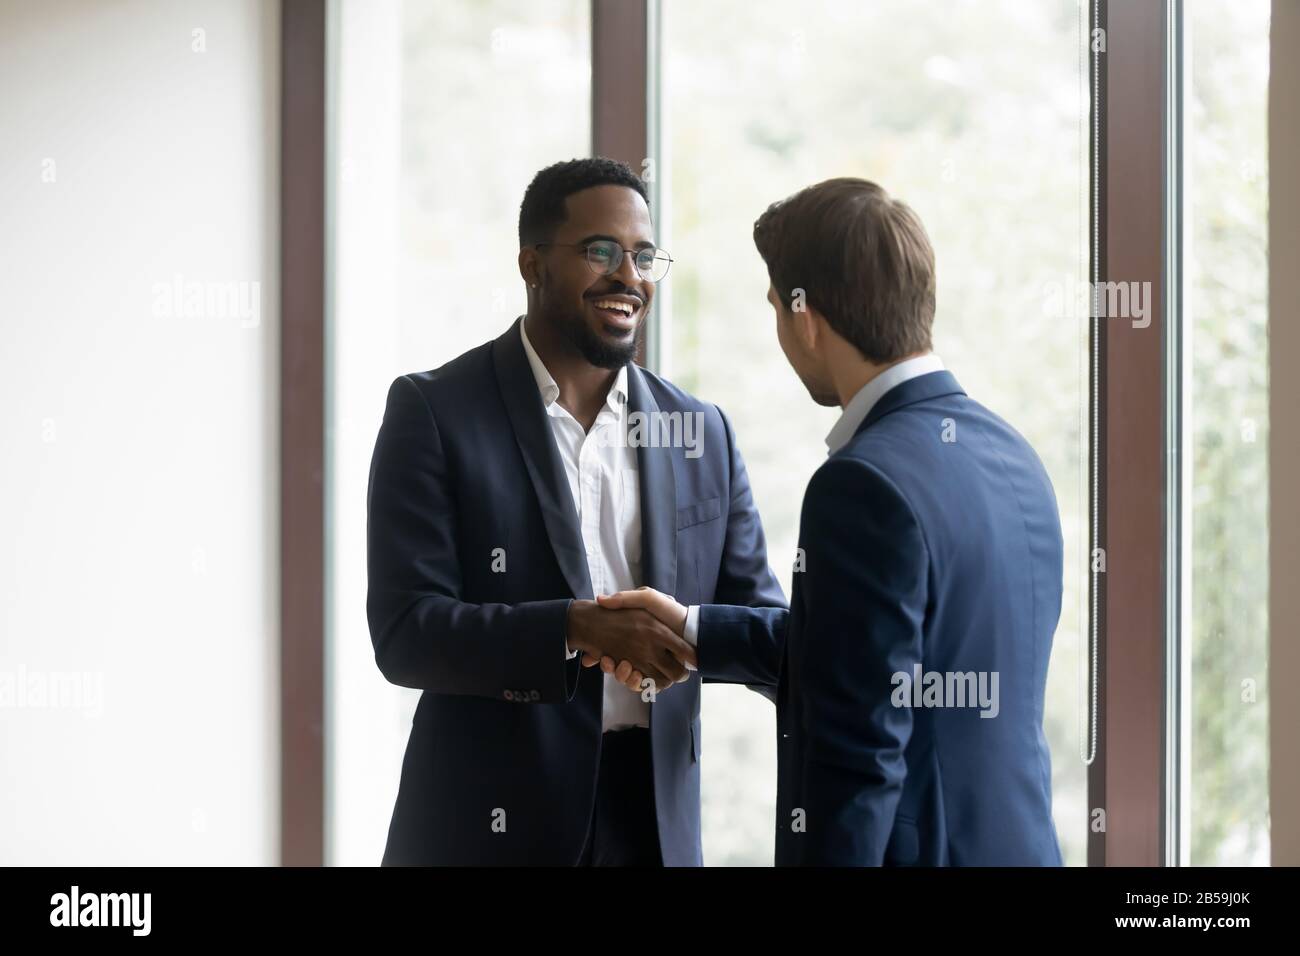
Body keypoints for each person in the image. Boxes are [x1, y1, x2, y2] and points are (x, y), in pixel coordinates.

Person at [595, 177, 1065, 866]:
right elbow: (876, 658)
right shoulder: (1014, 454)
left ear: (806, 317)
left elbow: (859, 759)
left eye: (776, 310)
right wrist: (695, 630)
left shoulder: (861, 484)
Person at [366, 157, 786, 866]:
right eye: (601, 251)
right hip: (489, 830)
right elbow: (406, 633)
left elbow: (765, 628)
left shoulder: (701, 432)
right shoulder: (434, 411)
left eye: (644, 256)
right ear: (532, 264)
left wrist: (698, 634)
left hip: (654, 826)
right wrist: (571, 627)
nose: (629, 276)